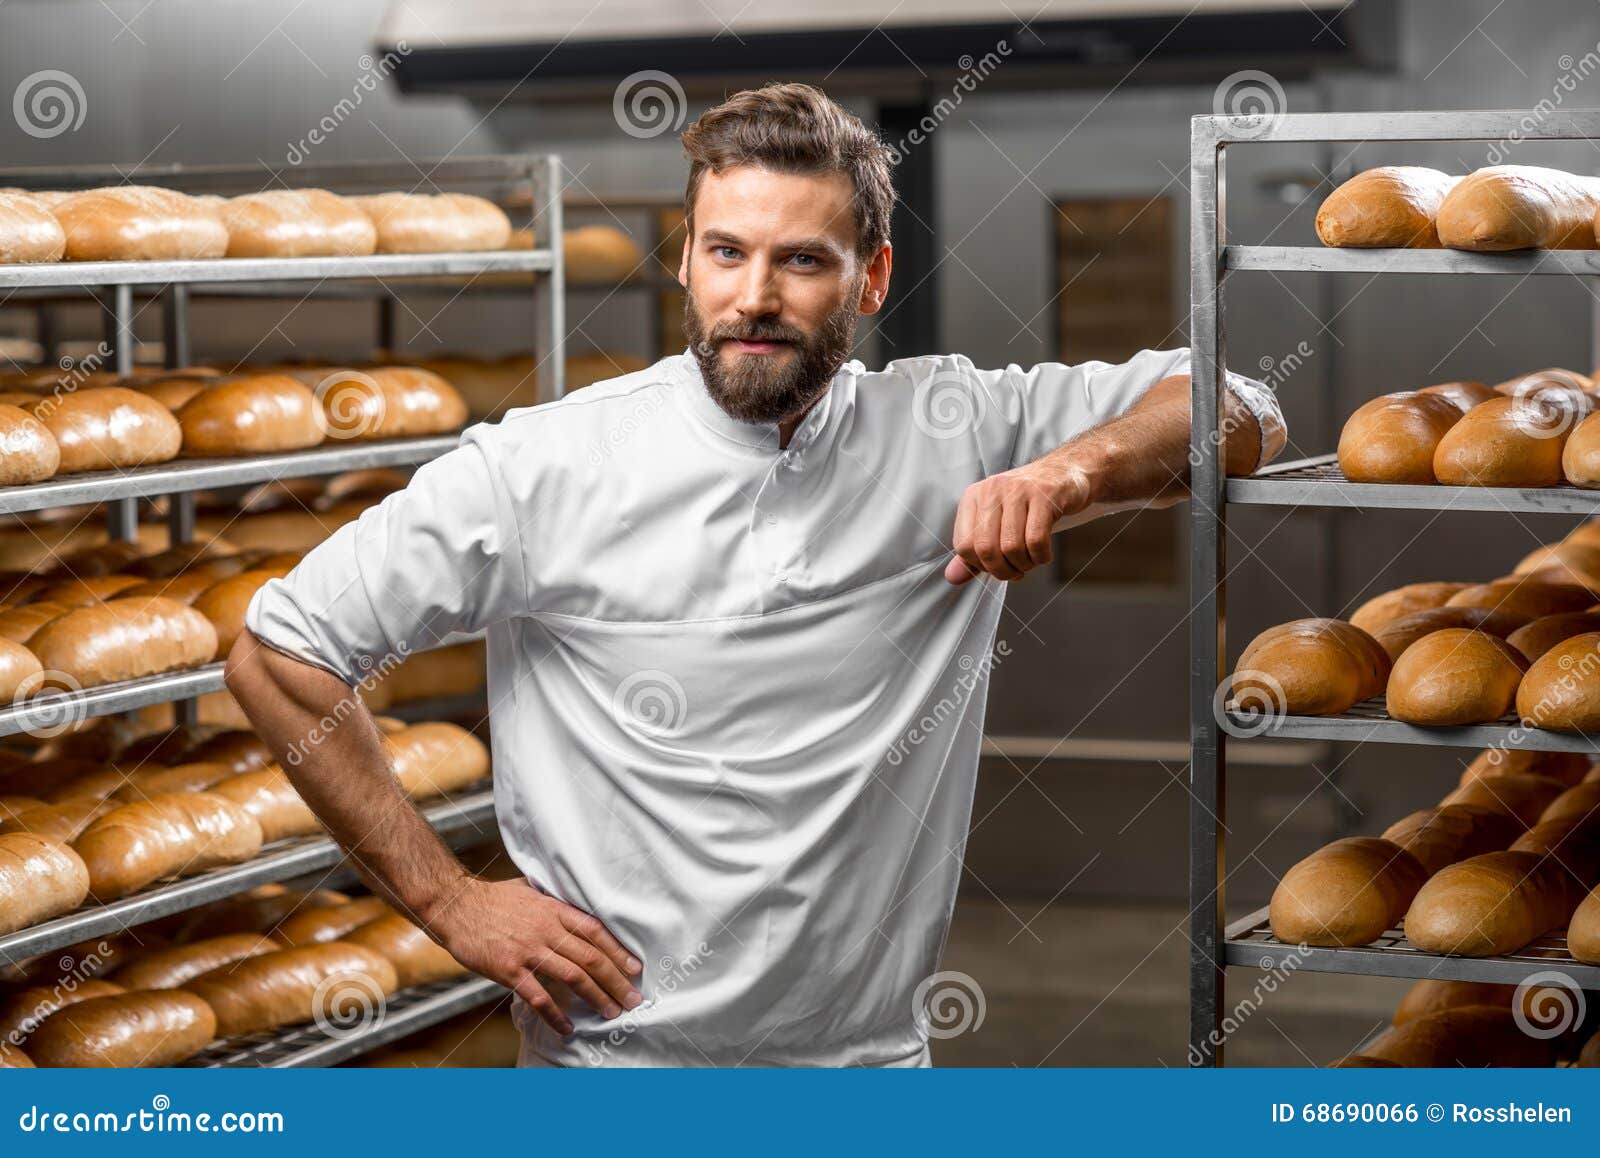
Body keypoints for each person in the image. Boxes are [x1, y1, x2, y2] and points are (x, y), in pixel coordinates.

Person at [226, 82, 1285, 1068]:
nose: (754, 298)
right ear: (684, 259)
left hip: (870, 1073)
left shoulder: (951, 425)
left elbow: (1245, 408)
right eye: (726, 253)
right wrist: (453, 904)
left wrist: (1065, 475)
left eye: (802, 262)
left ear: (869, 277)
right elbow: (281, 653)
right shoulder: (543, 466)